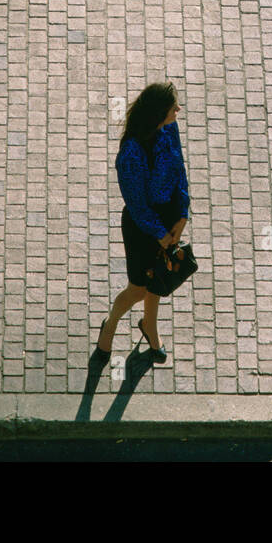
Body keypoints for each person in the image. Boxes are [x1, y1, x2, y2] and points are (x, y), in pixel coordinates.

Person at [94, 82, 190, 364]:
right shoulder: (132, 152)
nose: (178, 110)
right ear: (159, 113)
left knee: (158, 279)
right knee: (138, 287)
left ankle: (150, 326)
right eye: (173, 107)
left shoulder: (169, 128)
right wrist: (160, 233)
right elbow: (136, 203)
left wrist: (182, 214)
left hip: (170, 217)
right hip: (143, 227)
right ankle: (110, 324)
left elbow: (179, 168)